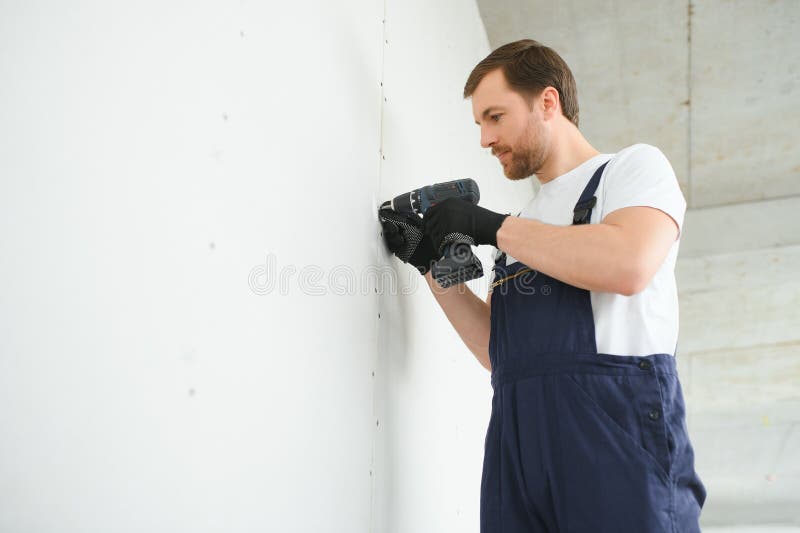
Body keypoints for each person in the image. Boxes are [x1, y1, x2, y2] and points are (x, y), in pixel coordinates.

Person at [379, 39, 707, 532]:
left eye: (496, 116)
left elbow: (628, 264)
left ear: (547, 102)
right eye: (480, 124)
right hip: (517, 437)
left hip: (613, 430)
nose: (485, 139)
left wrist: (491, 226)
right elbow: (499, 352)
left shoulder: (631, 170)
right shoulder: (524, 225)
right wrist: (430, 266)